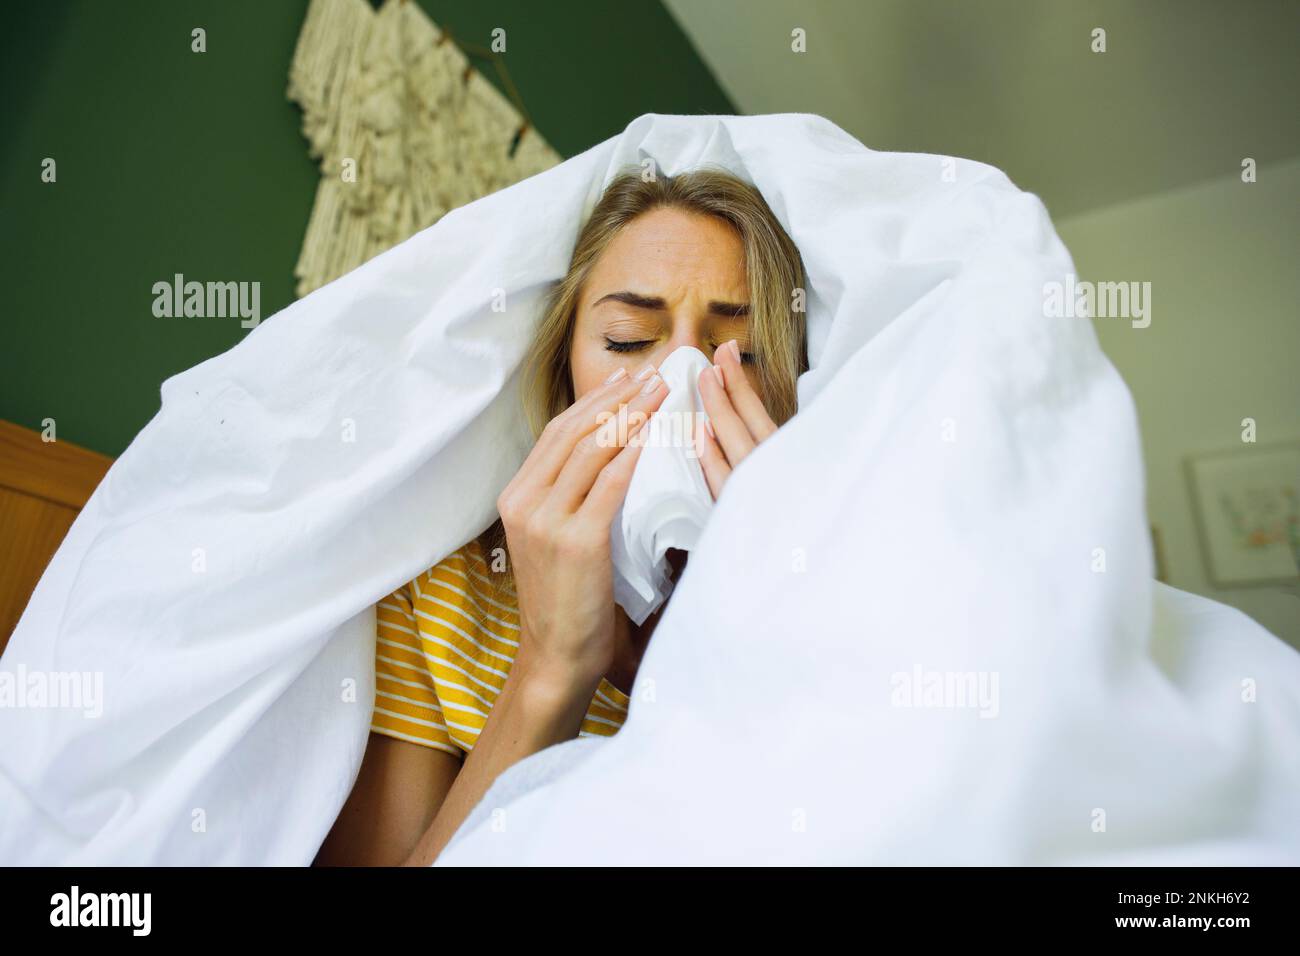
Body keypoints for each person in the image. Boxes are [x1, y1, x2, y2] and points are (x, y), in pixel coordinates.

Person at [316, 168, 808, 865]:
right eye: (631, 339)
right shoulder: (441, 593)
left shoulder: (815, 604)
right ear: (562, 378)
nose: (682, 384)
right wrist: (553, 668)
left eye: (744, 355)